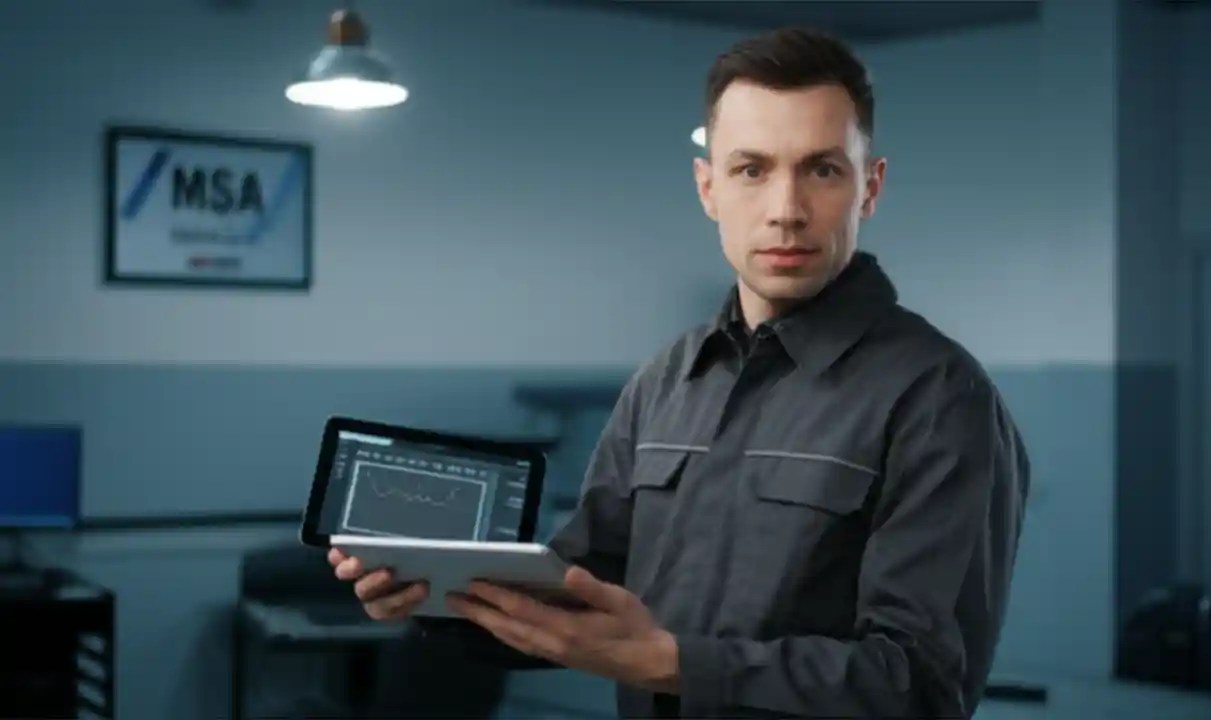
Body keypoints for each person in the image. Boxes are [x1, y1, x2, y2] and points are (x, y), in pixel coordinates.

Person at [330, 26, 1030, 719]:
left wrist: (668, 662)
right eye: (751, 170)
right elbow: (581, 591)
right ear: (708, 188)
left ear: (869, 188)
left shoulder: (940, 398)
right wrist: (438, 596)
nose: (785, 211)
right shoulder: (666, 380)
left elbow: (920, 685)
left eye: (821, 169)